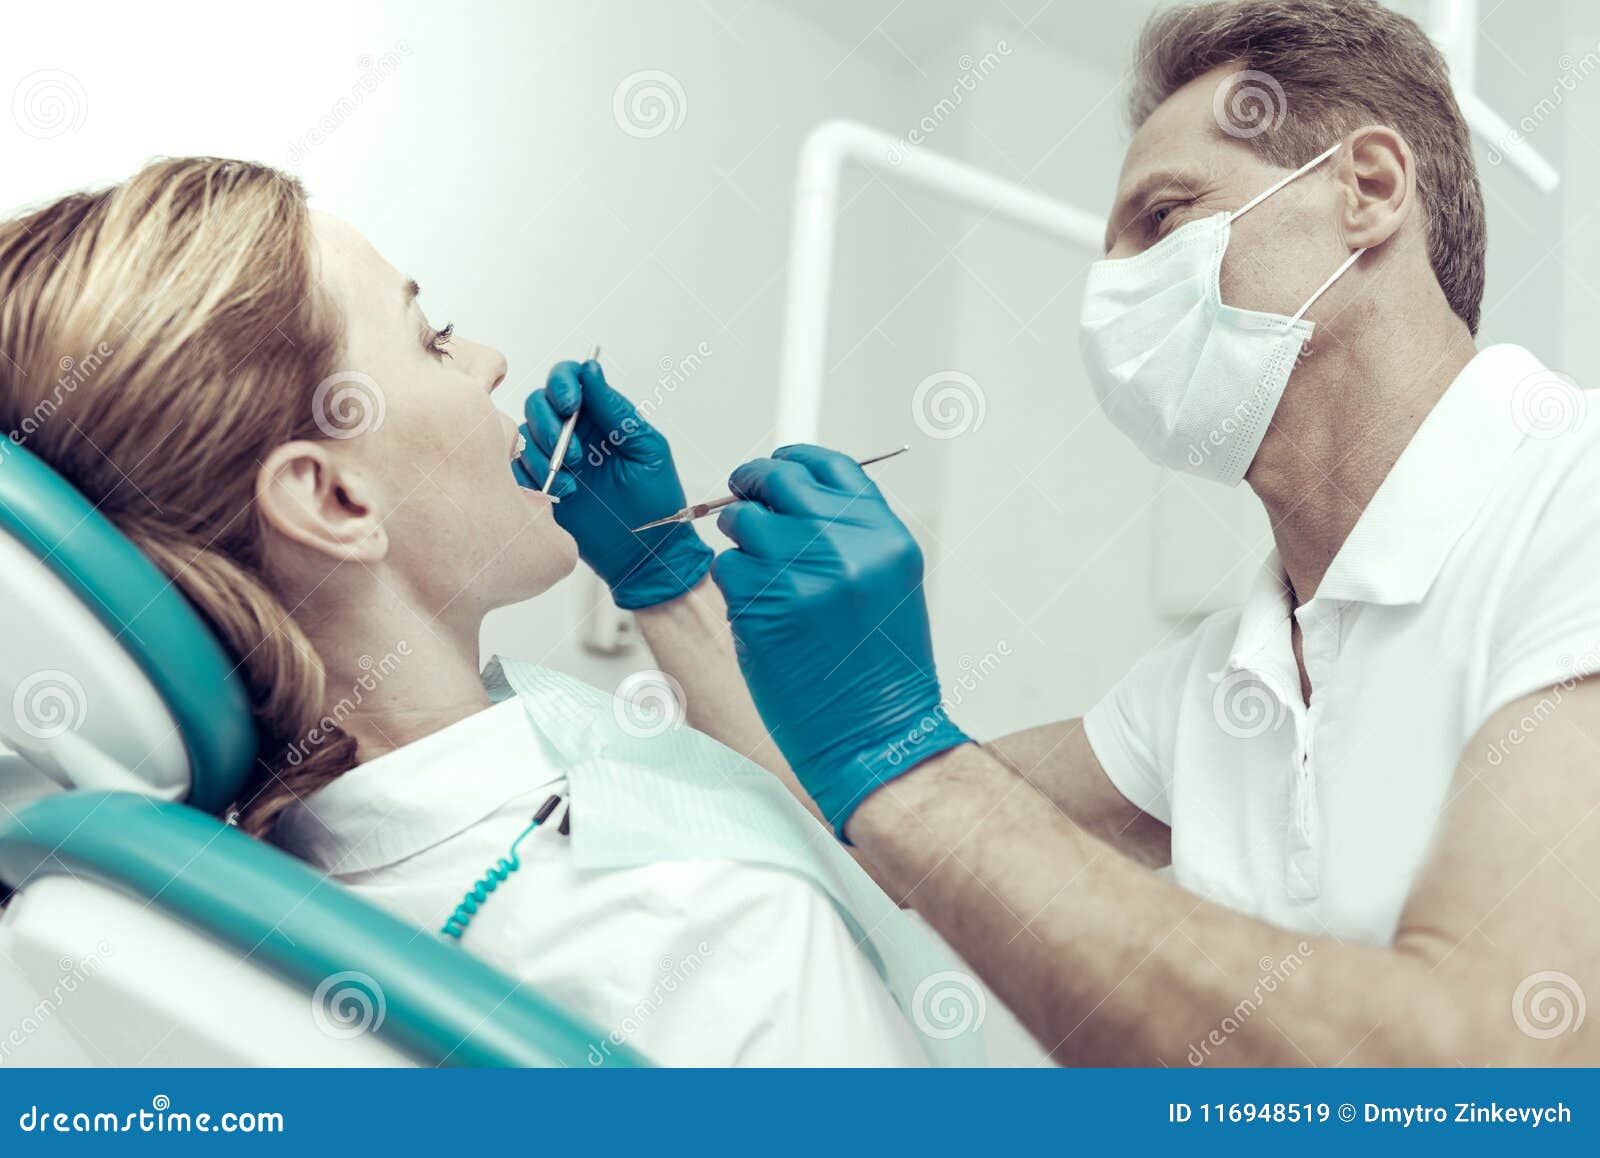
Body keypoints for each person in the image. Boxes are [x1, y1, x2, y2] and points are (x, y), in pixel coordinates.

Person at [531, 0, 1600, 1064]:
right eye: (1111, 253)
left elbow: (1497, 1073)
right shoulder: (1216, 682)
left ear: (1365, 190)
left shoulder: (1572, 500)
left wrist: (902, 754)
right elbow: (867, 822)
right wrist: (663, 573)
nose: (1113, 292)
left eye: (1163, 218)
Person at [0, 157, 936, 1067]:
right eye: (433, 338)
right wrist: (901, 743)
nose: (490, 363)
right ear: (335, 501)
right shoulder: (716, 931)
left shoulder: (253, 903)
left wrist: (665, 578)